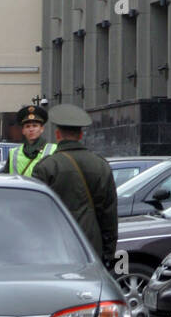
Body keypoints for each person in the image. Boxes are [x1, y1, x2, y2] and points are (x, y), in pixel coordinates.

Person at [31, 104, 118, 269]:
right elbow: (109, 215)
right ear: (80, 135)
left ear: (57, 135)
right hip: (91, 247)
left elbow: (37, 216)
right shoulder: (101, 165)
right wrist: (108, 254)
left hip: (56, 248)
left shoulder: (47, 167)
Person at [7, 102, 57, 175]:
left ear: (42, 129)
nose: (31, 129)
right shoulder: (13, 153)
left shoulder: (54, 150)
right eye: (27, 126)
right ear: (23, 131)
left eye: (35, 126)